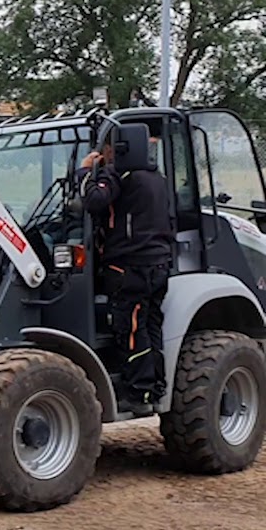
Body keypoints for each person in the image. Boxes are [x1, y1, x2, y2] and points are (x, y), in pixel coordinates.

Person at [80, 136, 175, 415]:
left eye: (106, 149)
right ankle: (155, 388)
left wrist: (86, 171)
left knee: (130, 329)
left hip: (129, 265)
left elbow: (94, 200)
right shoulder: (157, 177)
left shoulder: (118, 173)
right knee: (150, 327)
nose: (104, 154)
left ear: (115, 149)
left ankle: (138, 394)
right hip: (158, 264)